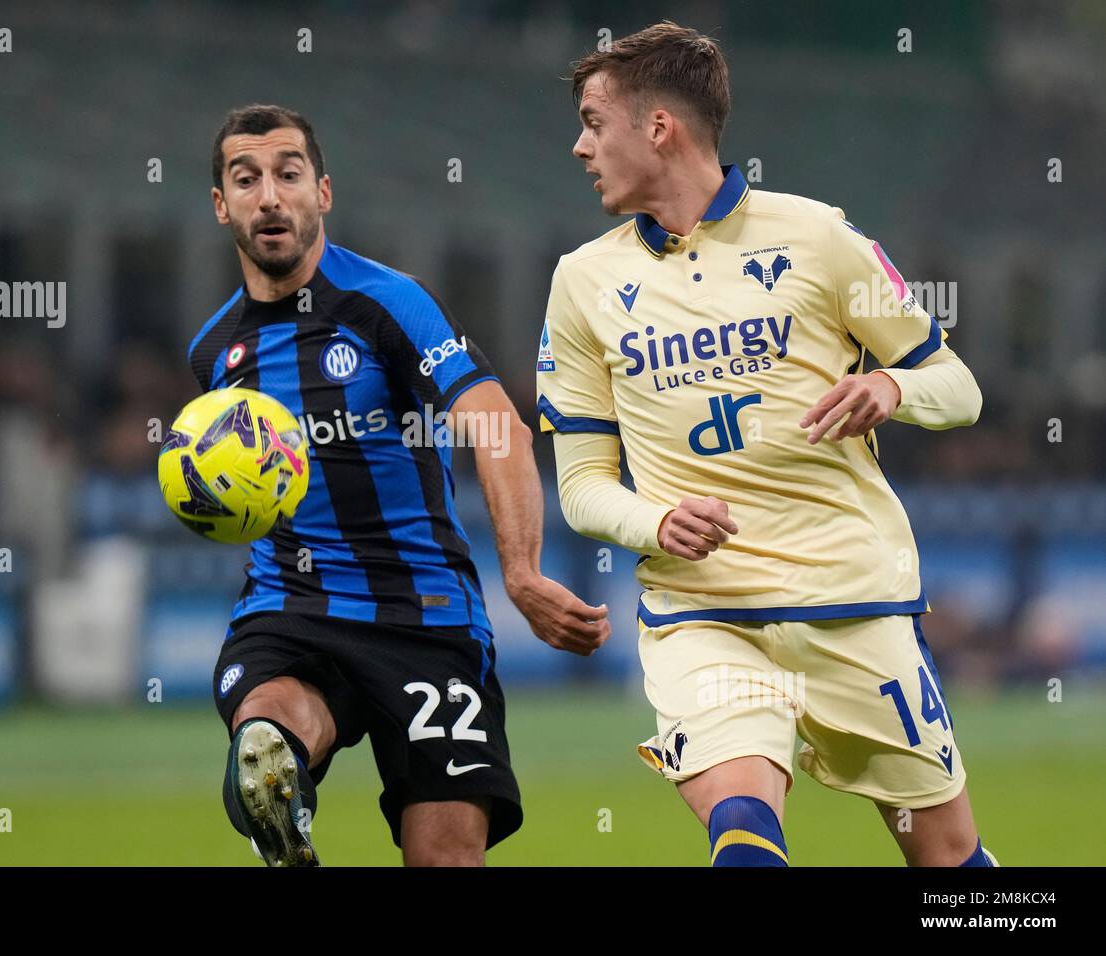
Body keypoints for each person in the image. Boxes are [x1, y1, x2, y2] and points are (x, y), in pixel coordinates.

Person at [537, 22, 996, 866]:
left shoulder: (819, 237)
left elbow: (959, 388)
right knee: (745, 839)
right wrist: (655, 523)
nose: (579, 146)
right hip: (704, 614)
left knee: (950, 864)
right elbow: (582, 484)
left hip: (852, 601)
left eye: (594, 122)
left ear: (659, 127)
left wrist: (892, 385)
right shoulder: (582, 282)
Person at [190, 104, 608, 866]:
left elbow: (496, 424)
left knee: (446, 857)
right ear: (222, 204)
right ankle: (278, 773)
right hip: (292, 608)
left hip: (424, 617)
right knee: (267, 731)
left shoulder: (388, 304)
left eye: (288, 174)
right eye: (245, 179)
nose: (269, 197)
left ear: (322, 191)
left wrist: (520, 570)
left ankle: (286, 791)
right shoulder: (214, 354)